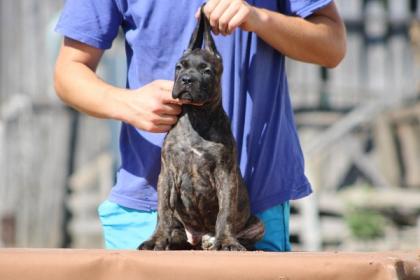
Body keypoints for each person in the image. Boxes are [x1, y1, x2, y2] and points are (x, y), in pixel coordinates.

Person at [54, 0, 346, 251]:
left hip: (249, 217)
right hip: (147, 212)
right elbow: (68, 72)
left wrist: (260, 18)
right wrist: (125, 103)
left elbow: (332, 46)